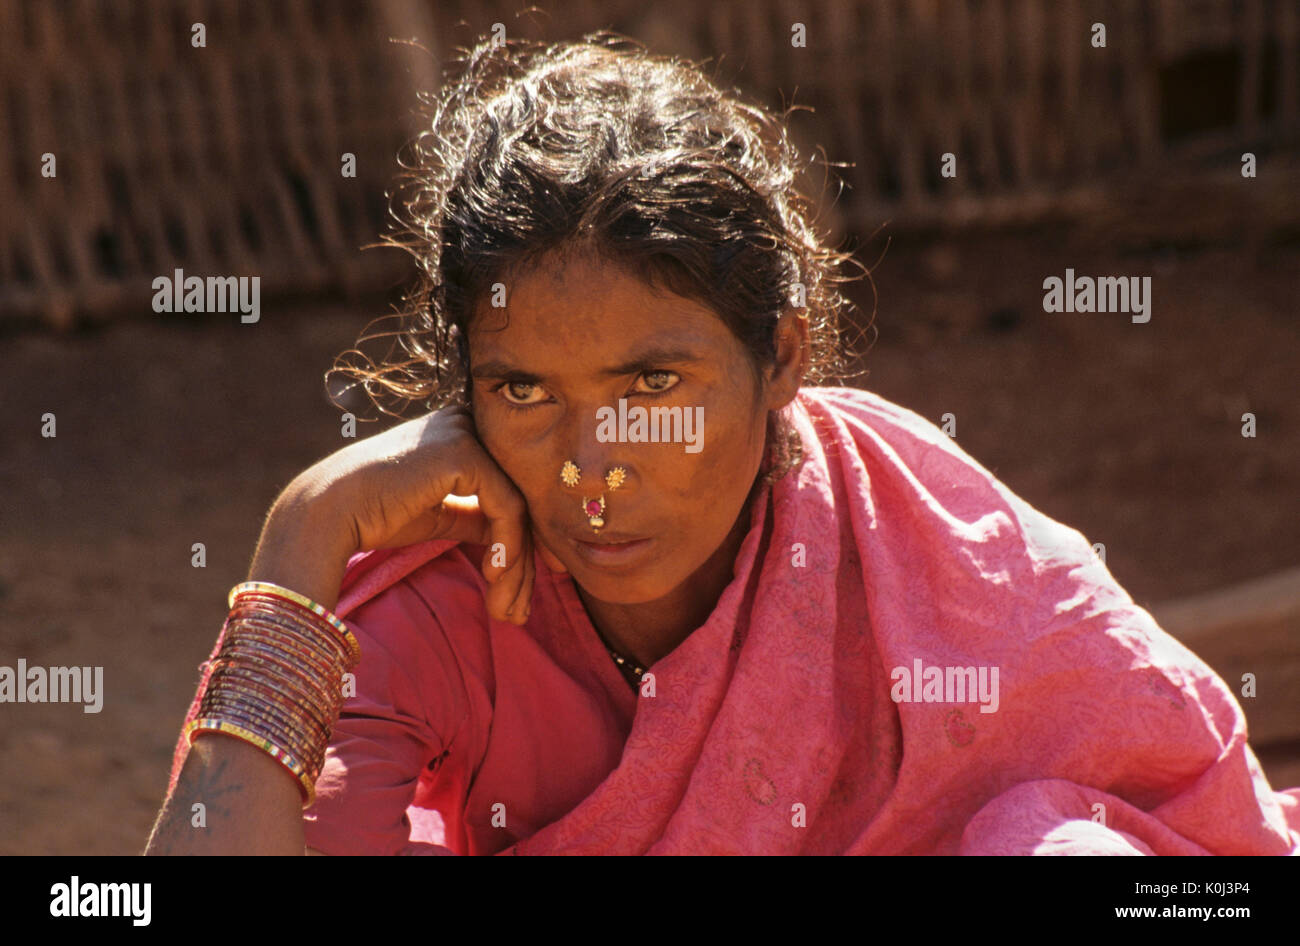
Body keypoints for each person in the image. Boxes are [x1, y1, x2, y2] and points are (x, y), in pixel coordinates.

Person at [145, 33, 1300, 855]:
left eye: (654, 381)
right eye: (524, 389)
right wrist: (302, 532)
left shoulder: (927, 551)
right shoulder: (444, 604)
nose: (592, 464)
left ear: (784, 359)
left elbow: (1178, 814)